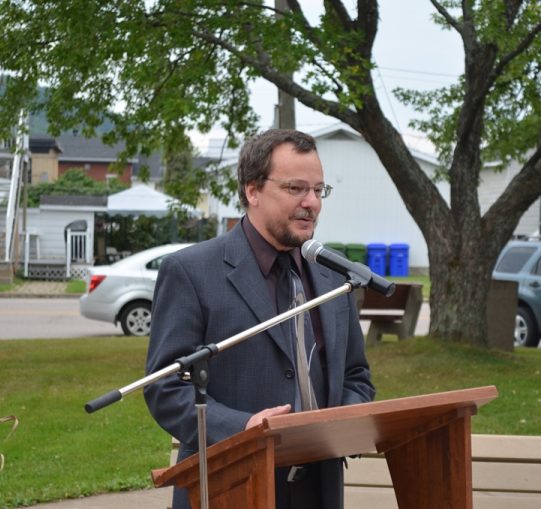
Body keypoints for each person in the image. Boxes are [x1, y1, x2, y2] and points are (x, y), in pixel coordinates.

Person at [144, 129, 375, 509]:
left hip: (320, 489)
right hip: (230, 486)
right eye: (296, 188)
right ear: (253, 190)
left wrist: (343, 425)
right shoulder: (191, 271)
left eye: (319, 190)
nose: (312, 203)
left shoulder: (334, 276)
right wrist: (244, 428)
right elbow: (164, 388)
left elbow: (356, 375)